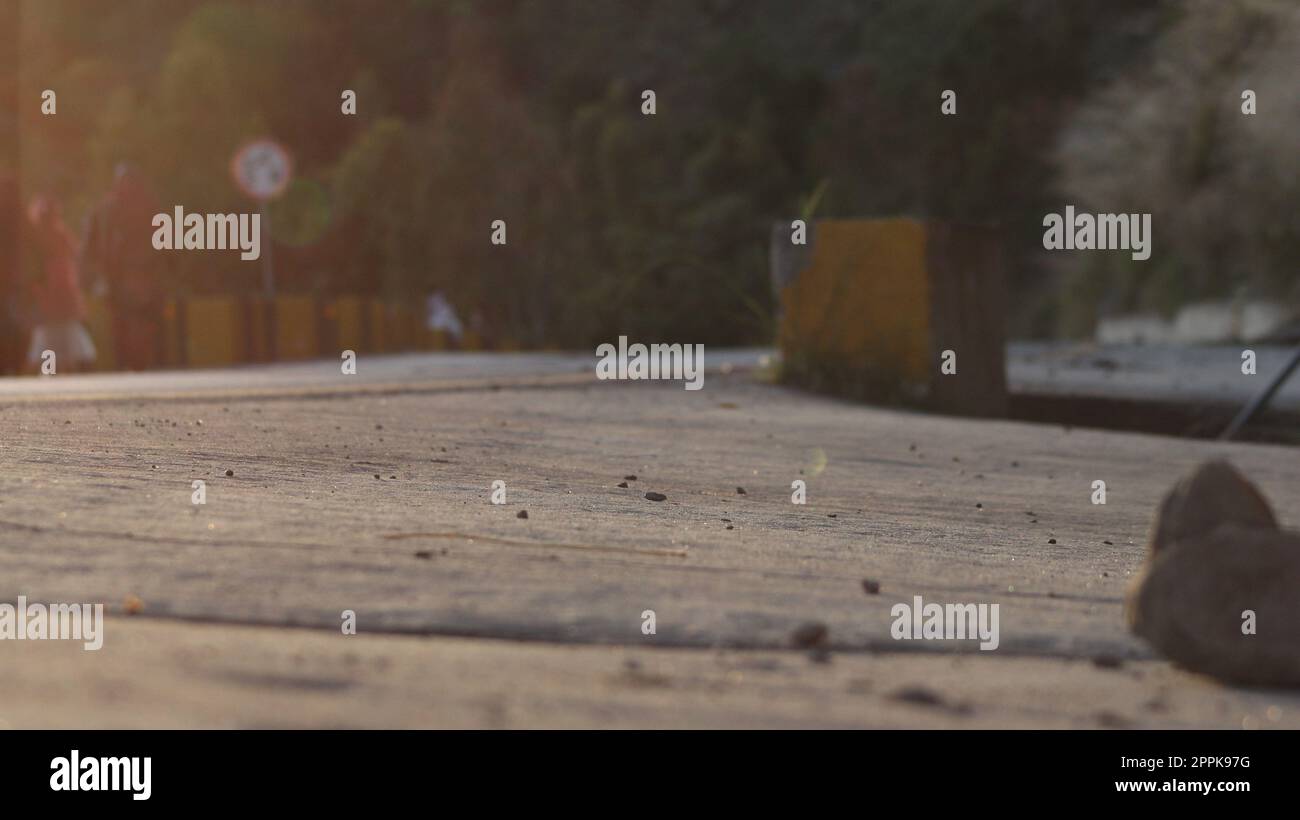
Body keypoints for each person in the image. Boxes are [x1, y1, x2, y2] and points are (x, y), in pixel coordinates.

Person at [82, 164, 164, 370]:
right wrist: (93, 268)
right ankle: (127, 360)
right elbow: (91, 240)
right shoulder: (105, 209)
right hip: (115, 273)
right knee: (119, 318)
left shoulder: (148, 207)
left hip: (142, 271)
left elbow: (162, 238)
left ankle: (139, 359)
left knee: (141, 317)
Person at [25, 194, 96, 373]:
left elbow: (75, 260)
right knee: (53, 341)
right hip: (51, 301)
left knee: (63, 343)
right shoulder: (39, 241)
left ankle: (60, 374)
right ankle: (55, 374)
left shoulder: (58, 236)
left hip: (59, 302)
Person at [0, 174, 24, 374]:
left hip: (10, 281)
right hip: (11, 280)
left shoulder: (16, 218)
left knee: (10, 323)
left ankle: (11, 365)